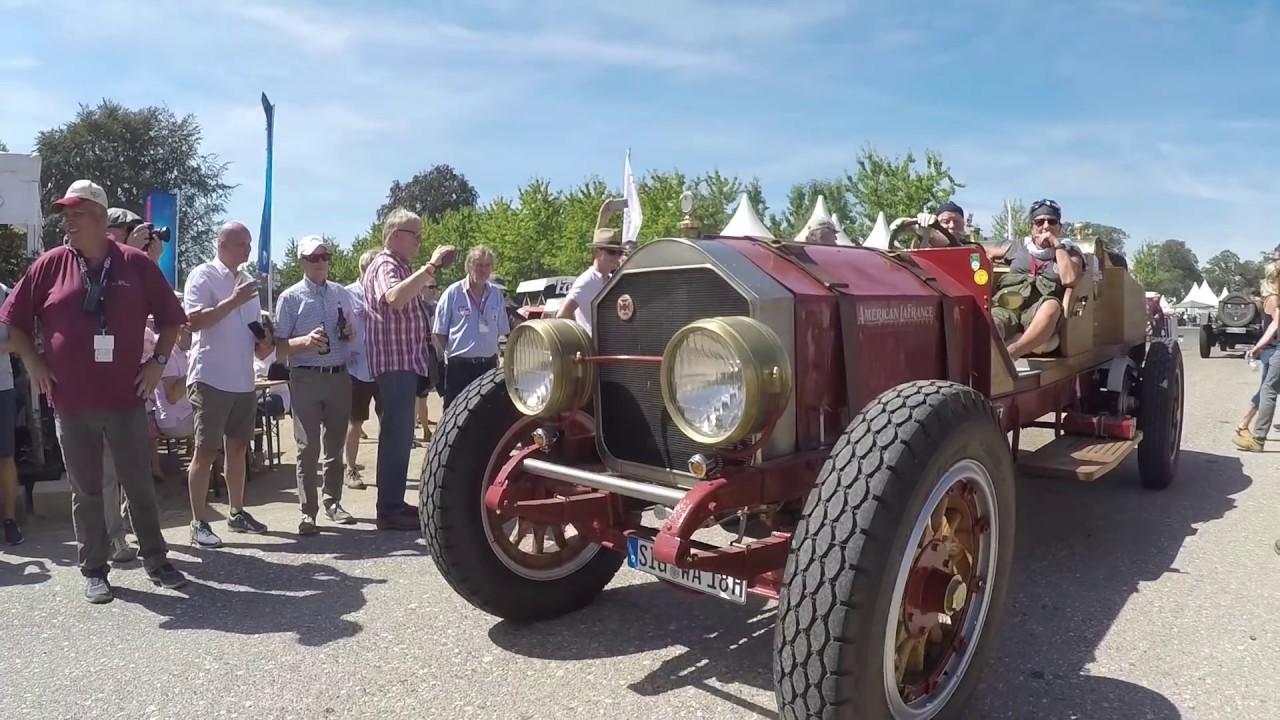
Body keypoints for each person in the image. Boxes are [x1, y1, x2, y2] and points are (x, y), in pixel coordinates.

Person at [0, 179, 188, 602]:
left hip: (126, 399)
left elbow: (172, 318)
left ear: (101, 217)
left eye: (77, 213)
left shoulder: (135, 264)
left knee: (138, 484)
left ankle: (156, 559)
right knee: (85, 490)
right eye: (65, 214)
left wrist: (158, 363)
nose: (68, 221)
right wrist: (33, 362)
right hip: (72, 402)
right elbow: (13, 322)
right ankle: (94, 569)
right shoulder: (50, 265)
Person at [182, 222, 275, 548]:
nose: (248, 249)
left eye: (249, 244)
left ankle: (237, 513)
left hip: (243, 380)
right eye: (242, 244)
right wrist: (233, 300)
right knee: (206, 450)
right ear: (222, 244)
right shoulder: (203, 275)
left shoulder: (247, 283)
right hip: (210, 378)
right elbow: (194, 321)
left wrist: (263, 343)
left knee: (238, 448)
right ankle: (198, 522)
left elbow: (253, 332)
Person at [362, 208, 455, 530]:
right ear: (395, 236)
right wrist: (431, 267)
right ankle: (389, 510)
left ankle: (393, 503)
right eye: (416, 235)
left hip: (403, 363)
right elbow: (394, 298)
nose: (420, 241)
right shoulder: (385, 264)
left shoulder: (400, 266)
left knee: (400, 437)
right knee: (396, 437)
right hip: (395, 364)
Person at [274, 236, 356, 535]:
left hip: (338, 375)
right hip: (306, 377)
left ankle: (333, 502)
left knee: (335, 447)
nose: (320, 262)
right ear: (302, 262)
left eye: (325, 256)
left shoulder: (340, 293)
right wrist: (305, 342)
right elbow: (279, 349)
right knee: (308, 447)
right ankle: (308, 512)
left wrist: (349, 332)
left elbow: (352, 332)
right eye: (313, 257)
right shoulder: (290, 298)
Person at [986, 199, 1085, 360]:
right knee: (994, 323)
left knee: (1052, 306)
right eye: (1039, 222)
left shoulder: (1069, 252)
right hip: (1009, 305)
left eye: (1052, 222)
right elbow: (986, 254)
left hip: (1039, 310)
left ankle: (1013, 352)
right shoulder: (1017, 247)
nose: (1046, 226)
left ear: (1060, 227)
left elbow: (1070, 279)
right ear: (1031, 227)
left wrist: (1056, 245)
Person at [434, 245, 510, 409]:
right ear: (469, 266)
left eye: (487, 265)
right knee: (454, 412)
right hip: (459, 367)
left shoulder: (496, 295)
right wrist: (457, 351)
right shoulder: (453, 293)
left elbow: (504, 329)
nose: (483, 270)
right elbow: (439, 331)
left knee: (487, 411)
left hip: (488, 366)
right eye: (479, 265)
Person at [343, 249, 379, 490]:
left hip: (384, 365)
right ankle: (350, 468)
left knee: (388, 421)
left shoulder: (385, 293)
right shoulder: (347, 295)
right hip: (356, 368)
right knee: (355, 421)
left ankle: (386, 471)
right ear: (363, 270)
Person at [1236, 260, 1280, 452]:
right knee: (1267, 390)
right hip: (1273, 349)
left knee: (1267, 390)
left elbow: (1274, 324)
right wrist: (1260, 346)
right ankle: (1248, 429)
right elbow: (1274, 325)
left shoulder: (1272, 297)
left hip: (1274, 348)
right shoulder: (1273, 298)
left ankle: (1255, 435)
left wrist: (1257, 347)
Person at [556, 228, 624, 335]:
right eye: (611, 252)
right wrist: (581, 338)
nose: (616, 257)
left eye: (620, 252)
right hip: (593, 344)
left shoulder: (613, 280)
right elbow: (562, 315)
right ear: (597, 252)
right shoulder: (586, 281)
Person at [0, 283, 21, 546]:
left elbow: (18, 341)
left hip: (2, 387)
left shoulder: (5, 294)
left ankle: (10, 521)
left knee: (5, 456)